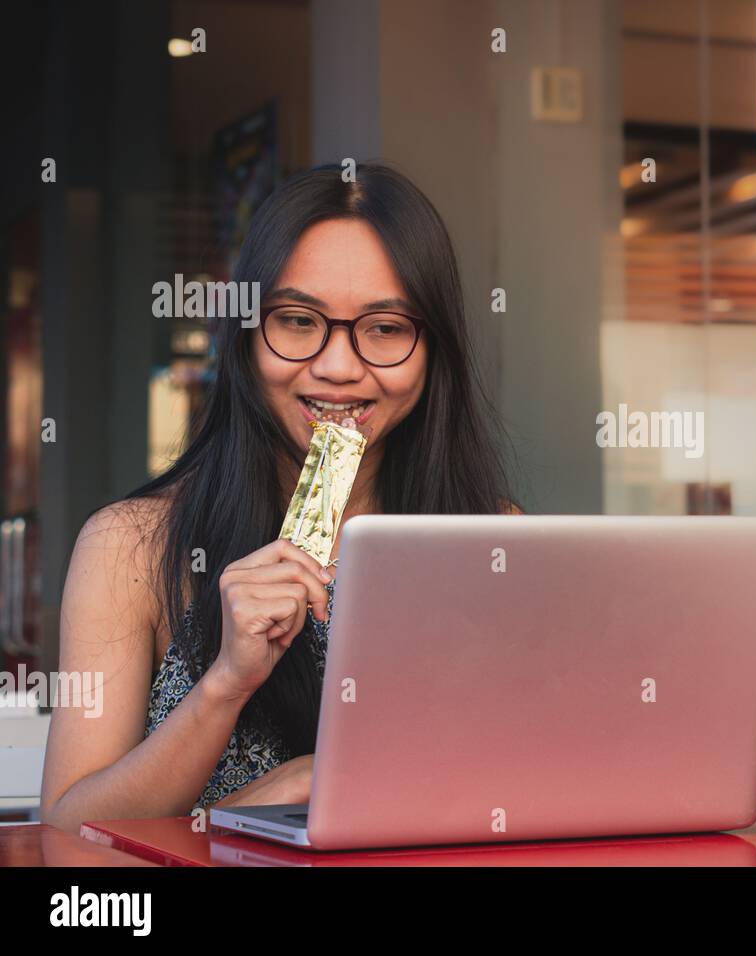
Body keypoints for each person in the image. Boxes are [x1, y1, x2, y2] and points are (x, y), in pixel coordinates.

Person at [40, 164, 517, 830]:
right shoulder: (130, 546)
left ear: (433, 350)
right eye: (297, 320)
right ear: (244, 335)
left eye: (385, 328)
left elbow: (525, 787)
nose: (339, 367)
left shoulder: (495, 542)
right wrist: (226, 688)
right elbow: (67, 831)